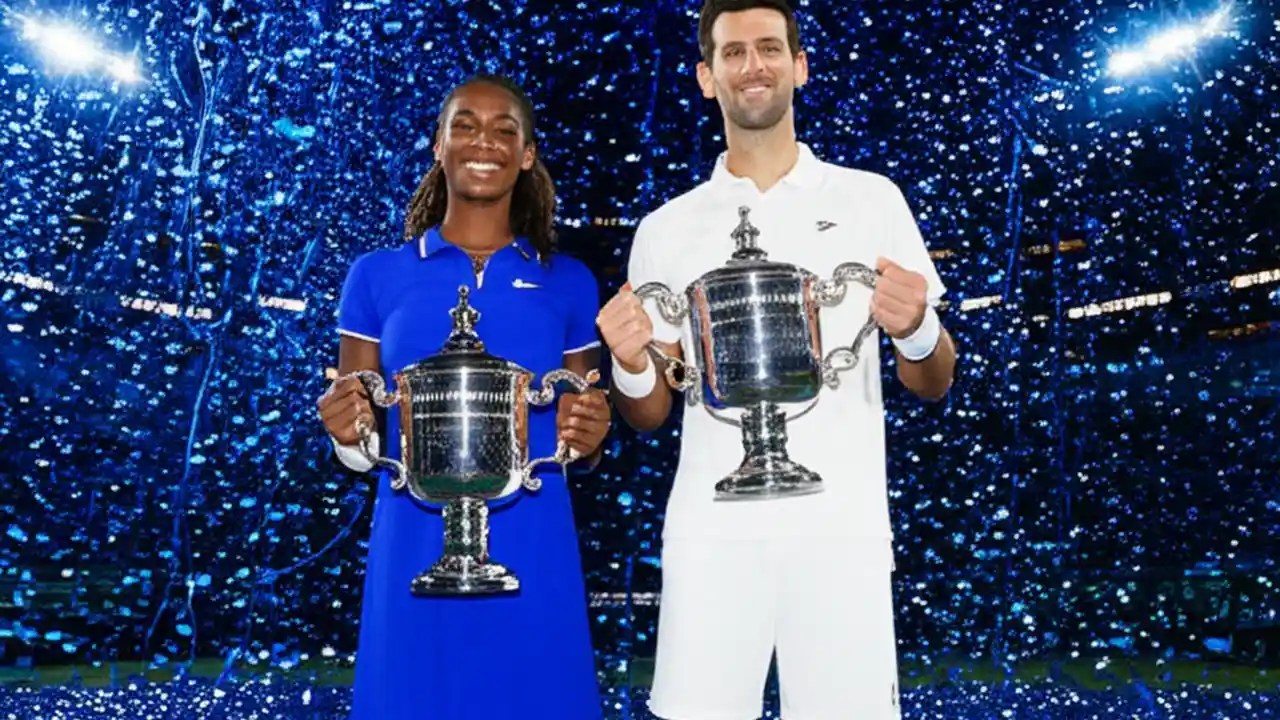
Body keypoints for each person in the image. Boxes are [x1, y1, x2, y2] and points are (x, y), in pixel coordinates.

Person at [596, 1, 957, 717]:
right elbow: (650, 413)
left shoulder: (871, 200)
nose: (751, 66)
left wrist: (916, 327)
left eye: (769, 48)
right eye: (732, 53)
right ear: (706, 77)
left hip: (841, 534)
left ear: (800, 66)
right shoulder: (666, 228)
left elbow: (933, 379)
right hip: (711, 535)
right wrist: (630, 362)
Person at [317, 74, 609, 720]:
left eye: (506, 129)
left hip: (535, 538)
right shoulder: (375, 276)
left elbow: (580, 437)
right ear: (438, 145)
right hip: (413, 542)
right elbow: (360, 429)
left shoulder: (571, 282)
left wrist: (591, 432)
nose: (486, 141)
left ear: (528, 154)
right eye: (466, 125)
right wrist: (347, 432)